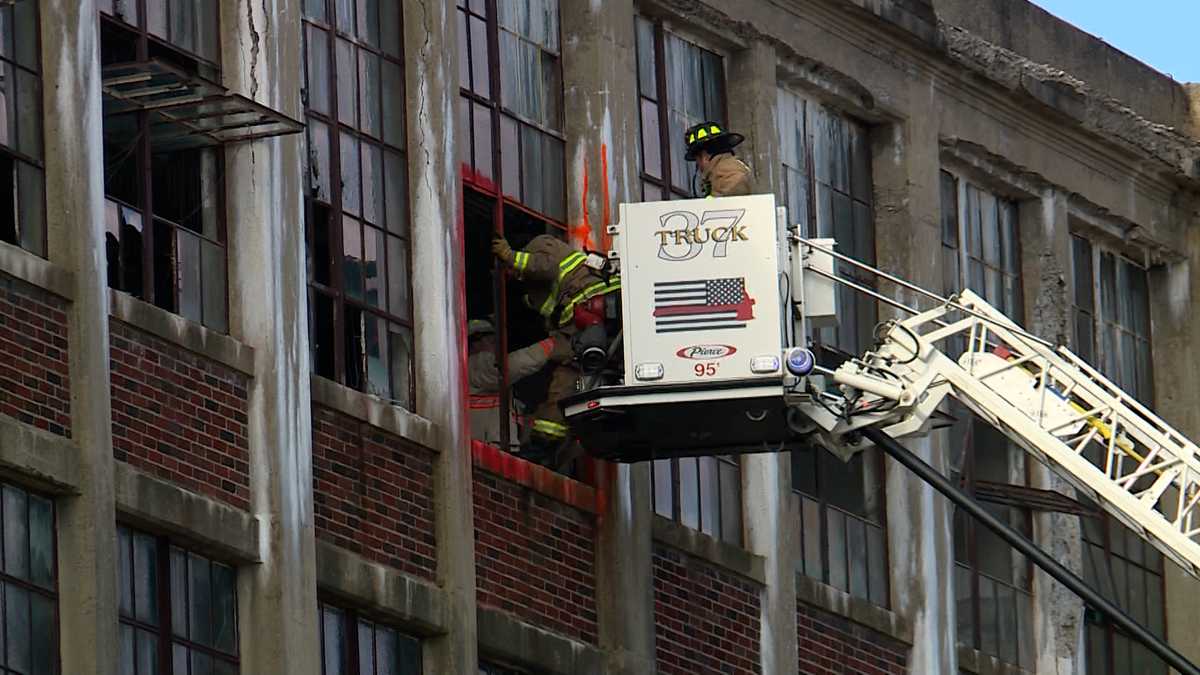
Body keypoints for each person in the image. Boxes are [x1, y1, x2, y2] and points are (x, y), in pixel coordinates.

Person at [490, 234, 620, 449]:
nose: (516, 276)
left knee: (538, 359)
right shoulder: (547, 286)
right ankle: (544, 445)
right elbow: (552, 307)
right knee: (562, 390)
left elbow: (545, 266)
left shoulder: (540, 244)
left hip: (595, 320)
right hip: (581, 335)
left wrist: (510, 256)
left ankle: (497, 376)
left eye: (514, 273)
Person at [467, 318, 569, 450]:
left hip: (495, 447)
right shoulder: (476, 363)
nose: (497, 345)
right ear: (475, 343)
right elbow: (513, 366)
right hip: (487, 448)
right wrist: (551, 345)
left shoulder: (481, 376)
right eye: (492, 341)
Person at [684, 120, 754, 198]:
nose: (699, 167)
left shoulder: (730, 172)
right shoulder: (723, 171)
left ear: (704, 156)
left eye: (697, 161)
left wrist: (711, 204)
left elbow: (737, 183)